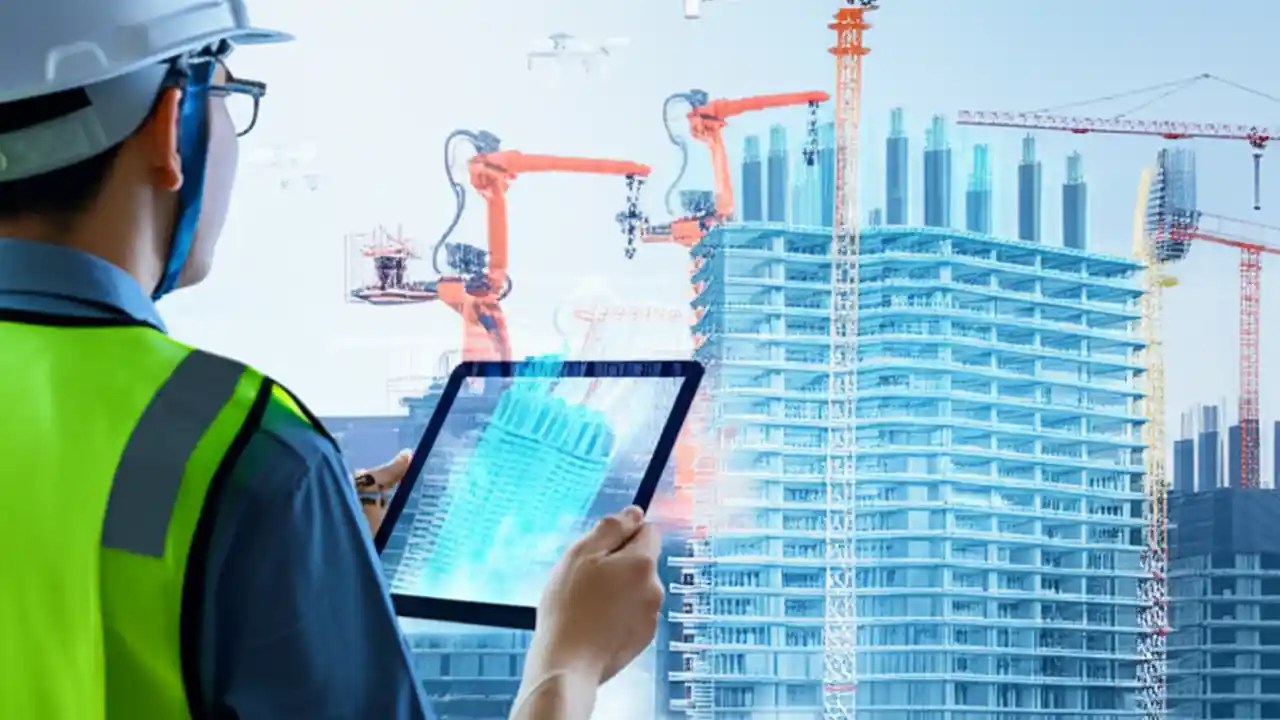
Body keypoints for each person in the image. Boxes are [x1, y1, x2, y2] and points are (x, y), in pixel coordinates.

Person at [0, 2, 665, 719]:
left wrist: (286, 553)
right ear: (172, 125)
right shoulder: (233, 442)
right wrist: (569, 663)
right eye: (229, 95)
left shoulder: (239, 466)